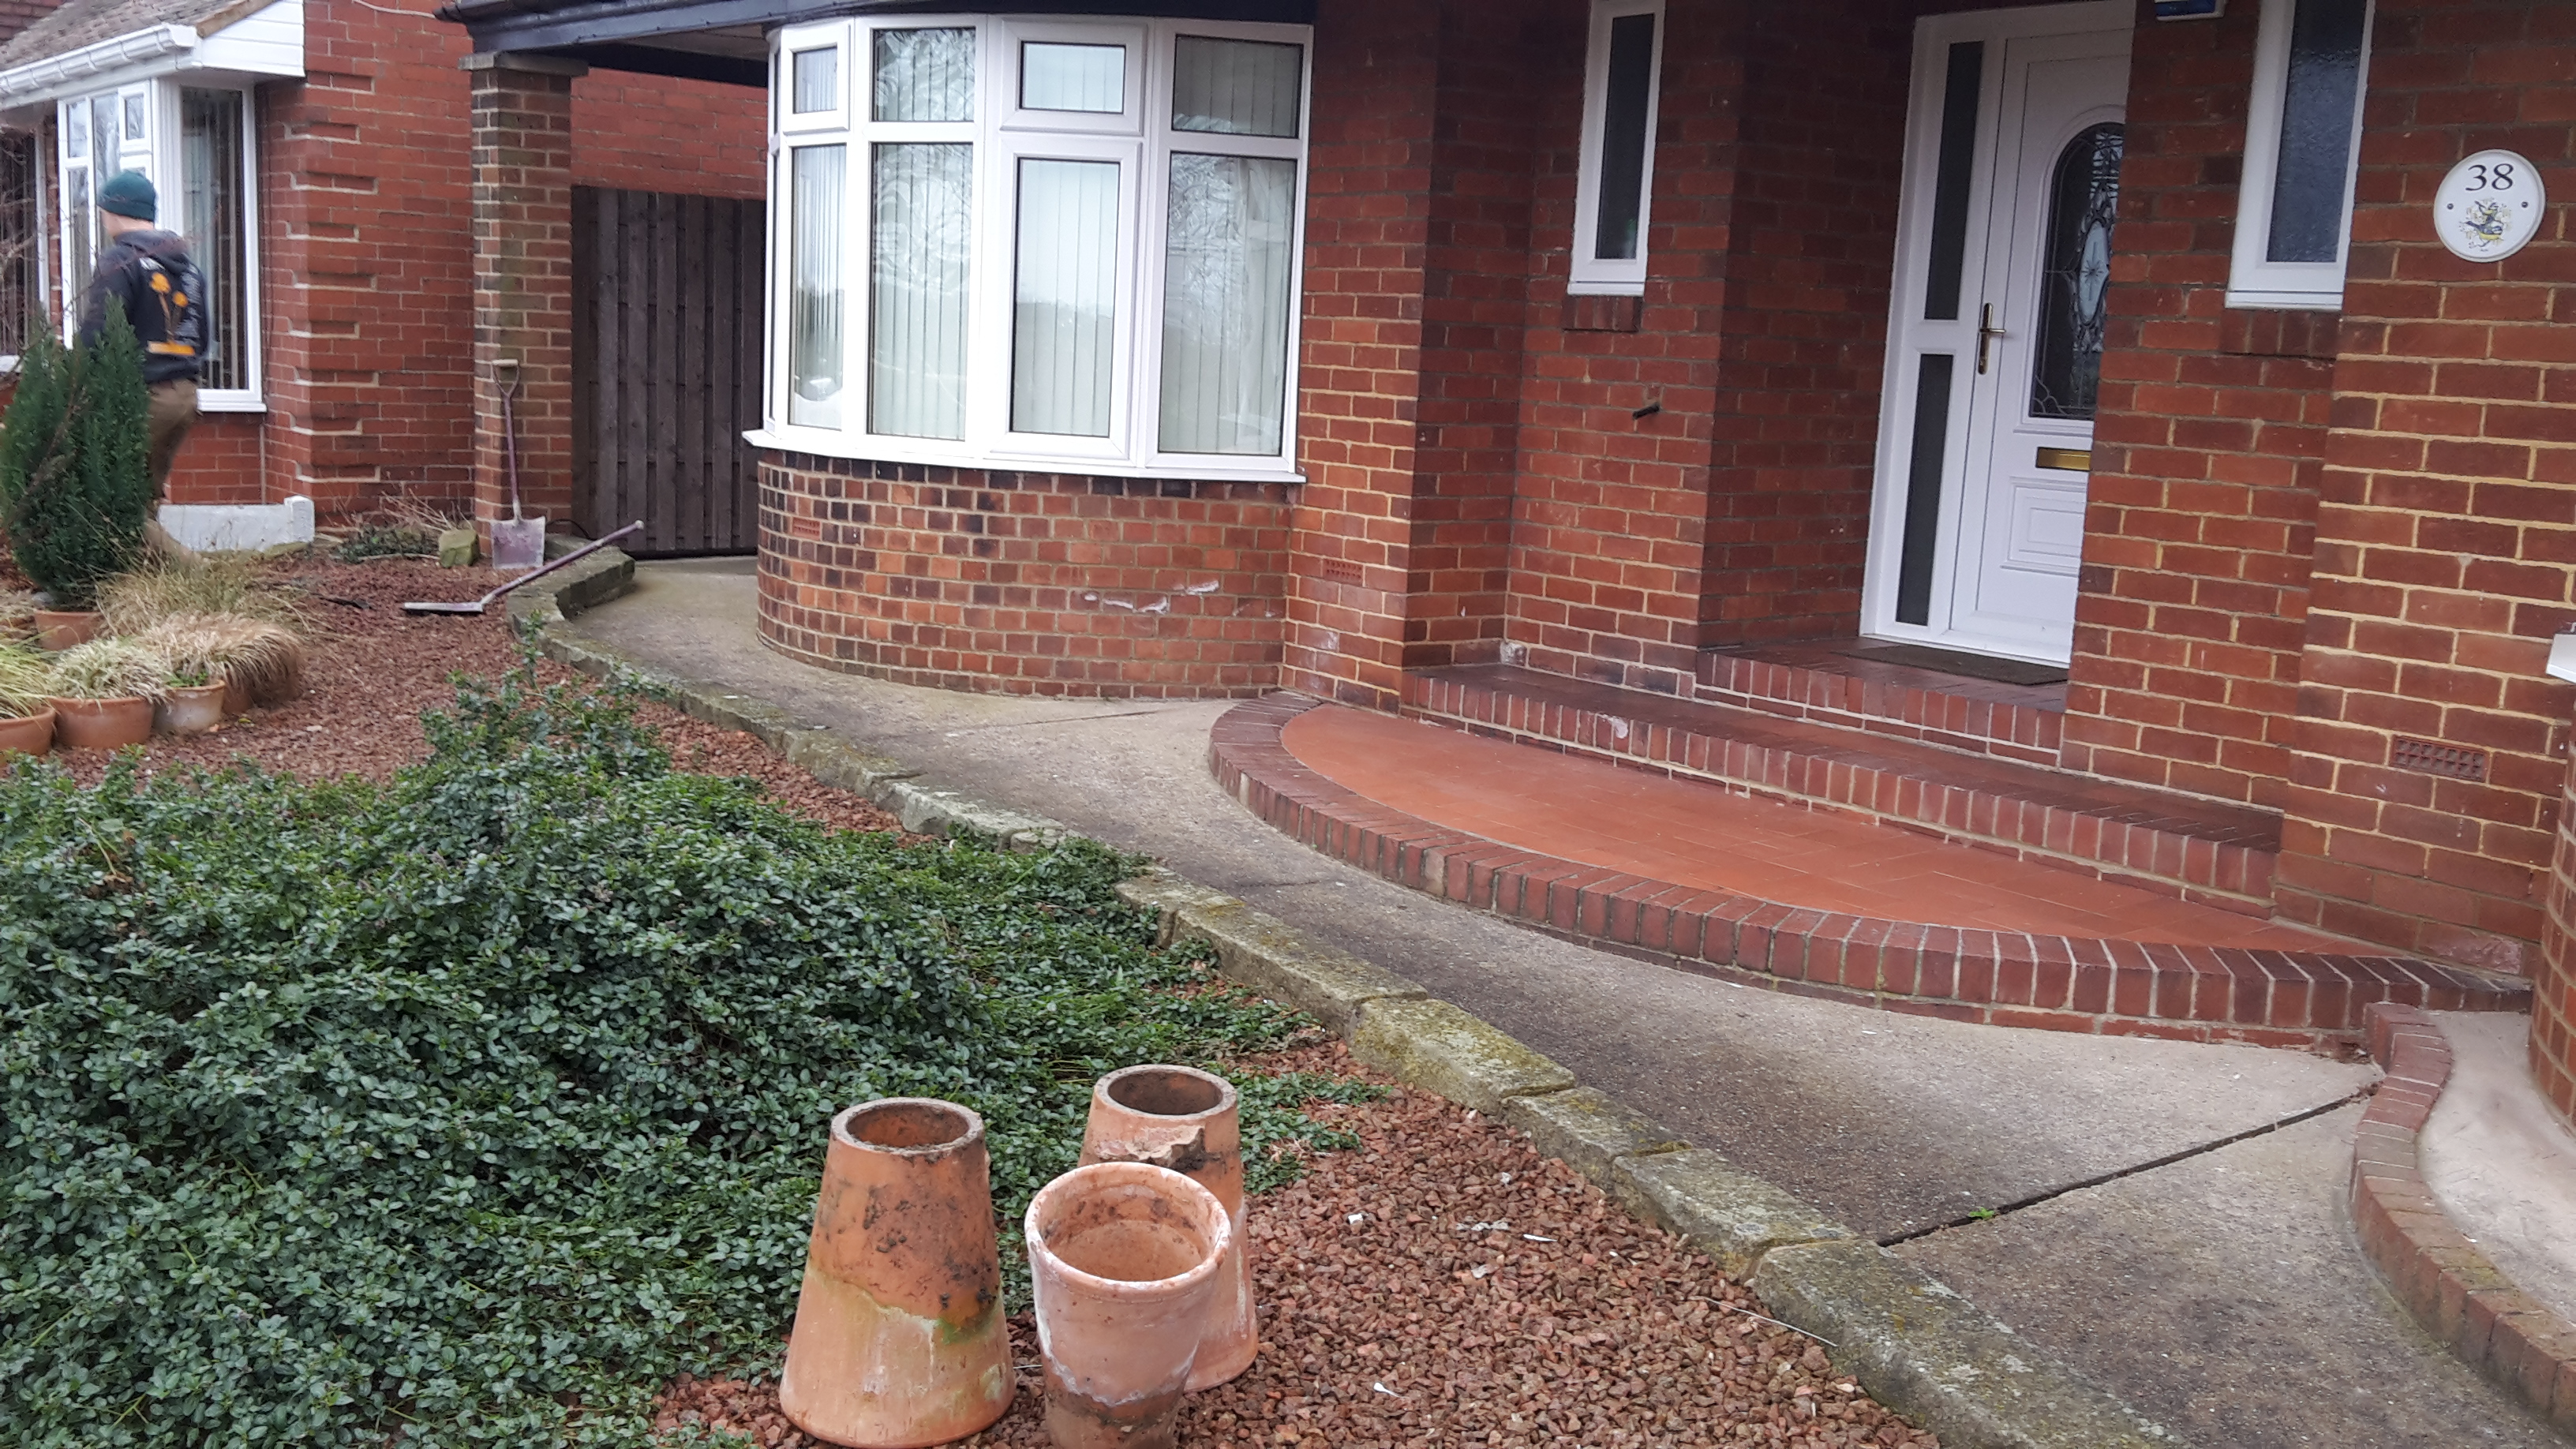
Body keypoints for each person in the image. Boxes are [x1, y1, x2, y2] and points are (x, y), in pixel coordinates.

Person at [80, 169, 205, 561]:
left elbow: (100, 335)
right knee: (143, 495)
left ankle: (195, 573)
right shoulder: (187, 266)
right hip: (184, 393)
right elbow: (204, 334)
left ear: (112, 212)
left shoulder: (120, 261)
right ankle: (138, 584)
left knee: (107, 495)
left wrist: (78, 392)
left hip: (144, 396)